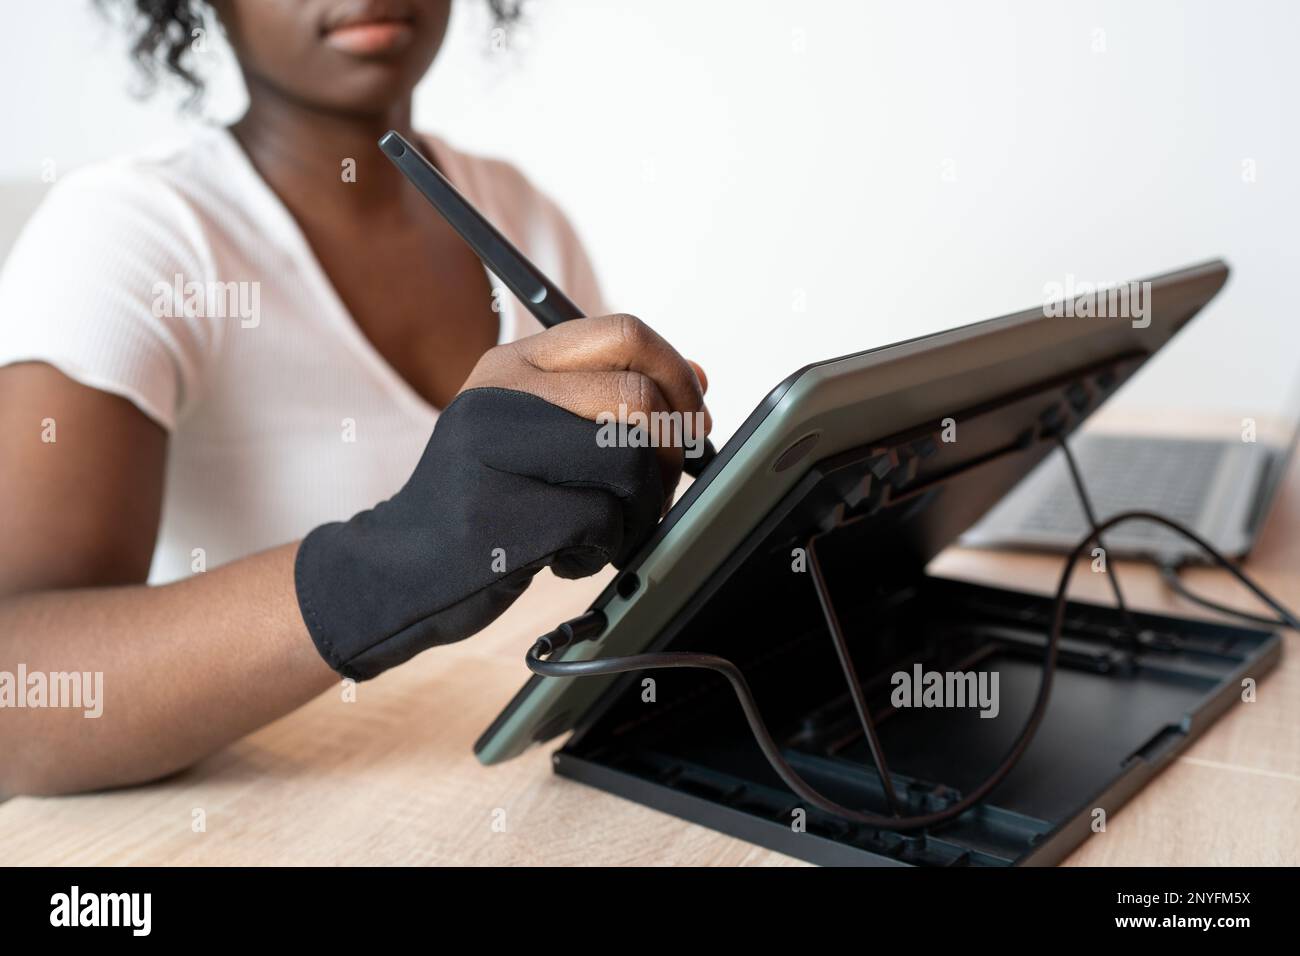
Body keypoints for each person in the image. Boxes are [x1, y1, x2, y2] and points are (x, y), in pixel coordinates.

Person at [0, 0, 709, 795]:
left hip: (497, 782)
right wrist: (399, 557)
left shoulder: (522, 214)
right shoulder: (128, 234)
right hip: (266, 818)